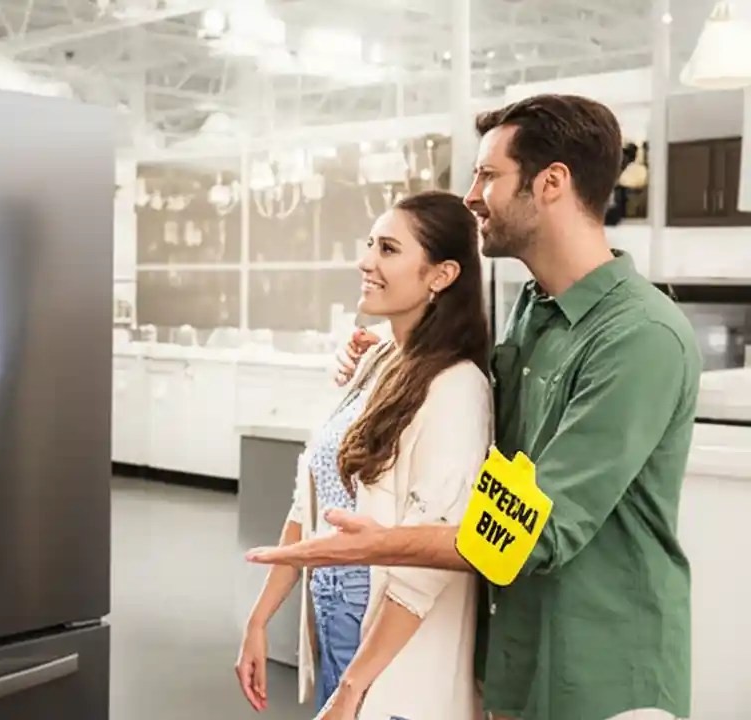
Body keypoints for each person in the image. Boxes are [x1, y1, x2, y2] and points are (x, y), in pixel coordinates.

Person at [248, 94, 701, 720]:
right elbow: (464, 409)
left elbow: (534, 530)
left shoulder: (640, 337)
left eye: (488, 174)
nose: (471, 196)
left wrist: (374, 546)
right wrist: (384, 357)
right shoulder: (534, 313)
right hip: (513, 662)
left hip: (599, 678)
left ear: (551, 183)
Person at [235, 190, 492, 720]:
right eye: (371, 243)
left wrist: (352, 688)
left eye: (389, 249)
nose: (366, 261)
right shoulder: (378, 361)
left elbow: (425, 570)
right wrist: (259, 618)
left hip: (392, 660)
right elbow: (313, 500)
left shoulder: (458, 387)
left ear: (441, 275)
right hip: (338, 625)